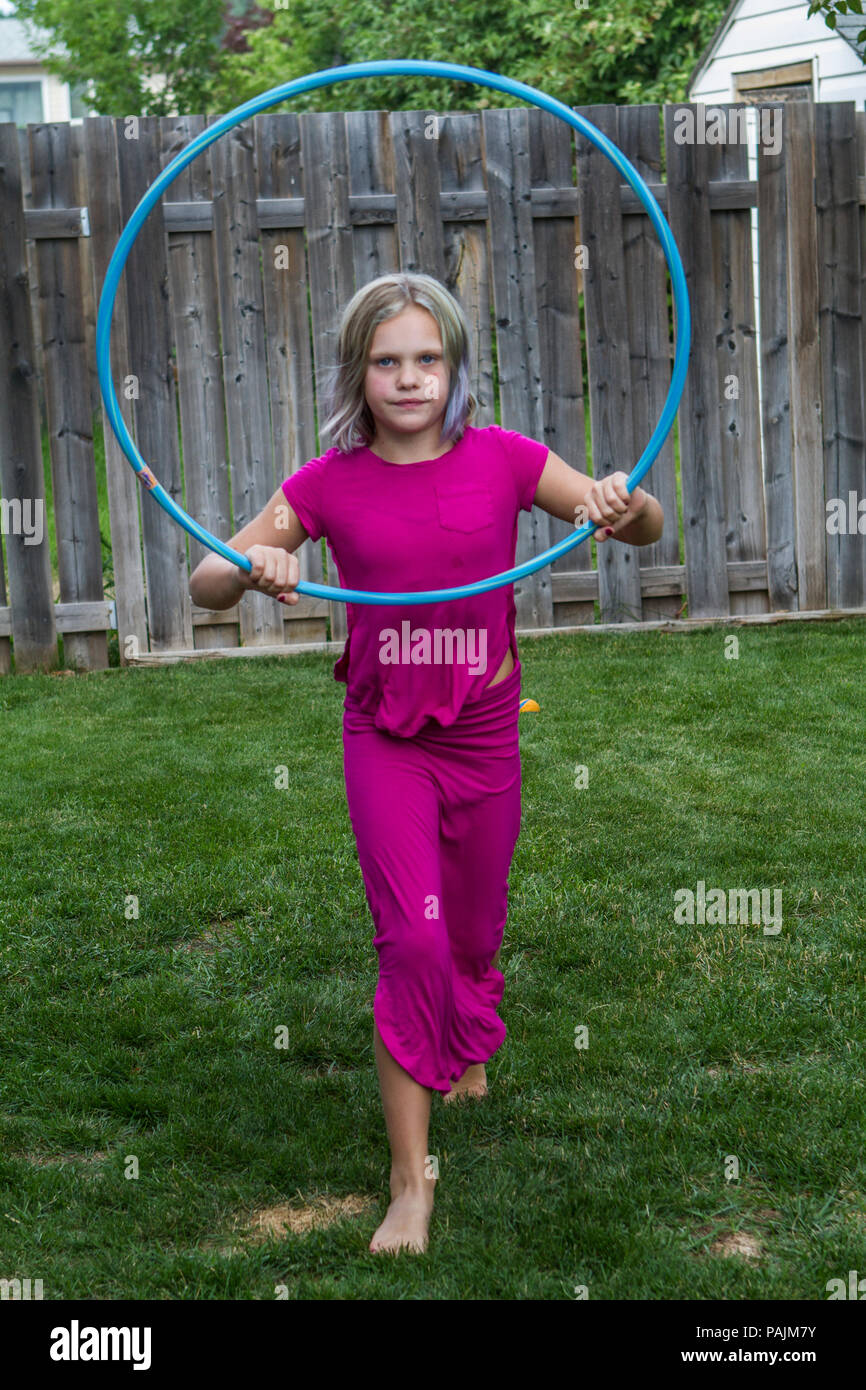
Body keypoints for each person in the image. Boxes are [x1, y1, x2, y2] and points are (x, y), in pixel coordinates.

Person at [189, 271, 664, 1256]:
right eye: (385, 361)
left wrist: (628, 499)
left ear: (452, 368)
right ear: (357, 374)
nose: (407, 379)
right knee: (411, 942)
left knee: (473, 929)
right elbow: (206, 580)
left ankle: (470, 1026)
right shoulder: (326, 483)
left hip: (483, 724)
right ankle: (411, 1185)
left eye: (425, 358)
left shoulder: (506, 461)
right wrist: (253, 564)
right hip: (385, 737)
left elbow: (639, 525)